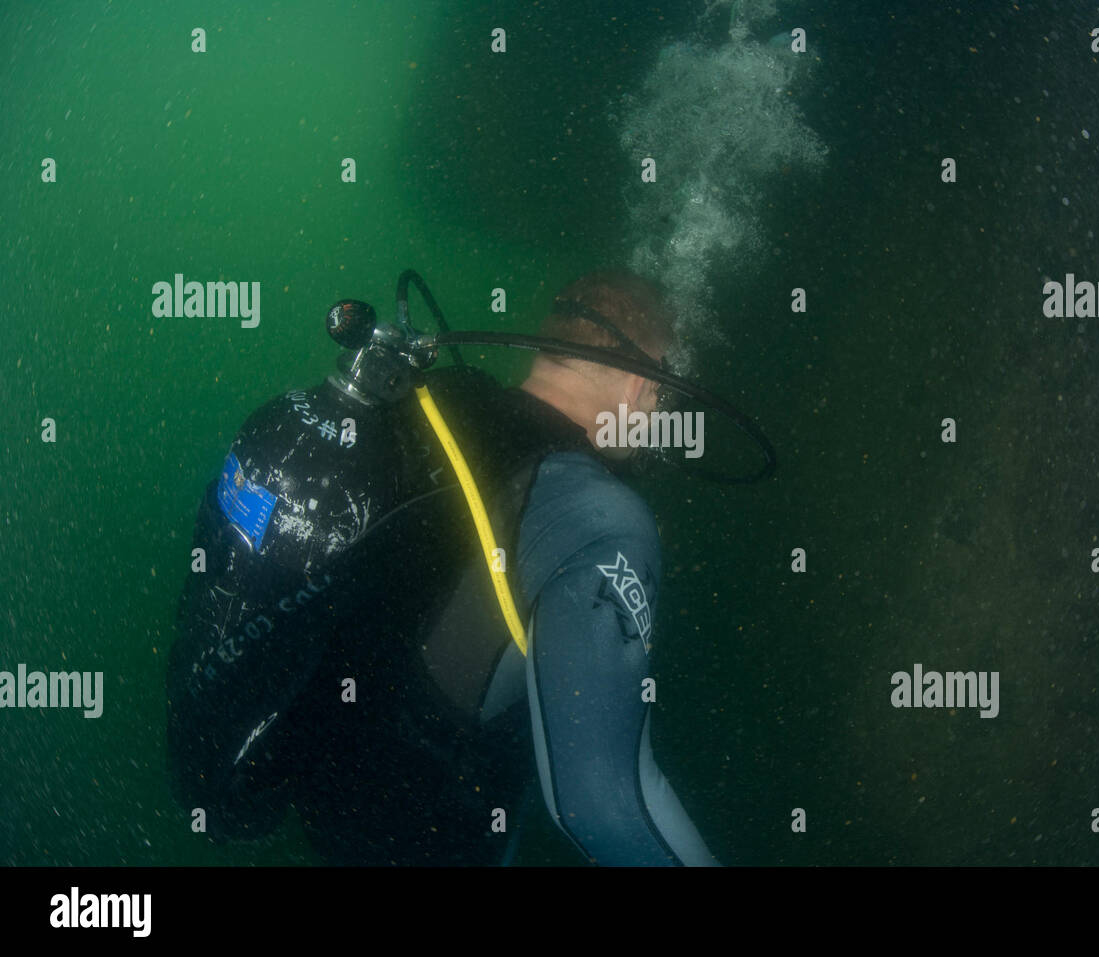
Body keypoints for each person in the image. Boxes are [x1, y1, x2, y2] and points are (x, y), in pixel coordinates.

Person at [165, 268, 717, 866]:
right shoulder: (600, 517)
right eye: (664, 398)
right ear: (639, 385)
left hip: (326, 803)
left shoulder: (434, 402)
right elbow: (607, 807)